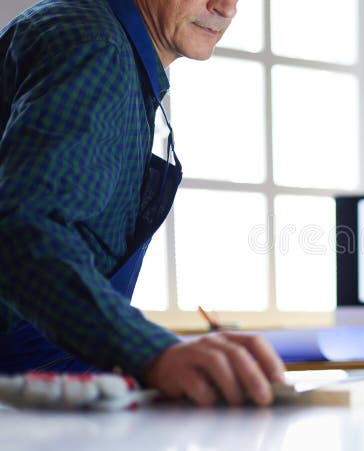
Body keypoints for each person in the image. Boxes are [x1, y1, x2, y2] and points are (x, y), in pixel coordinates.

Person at [0, 0, 286, 406]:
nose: (226, 8)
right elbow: (23, 229)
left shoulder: (106, 43)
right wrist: (153, 351)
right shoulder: (96, 47)